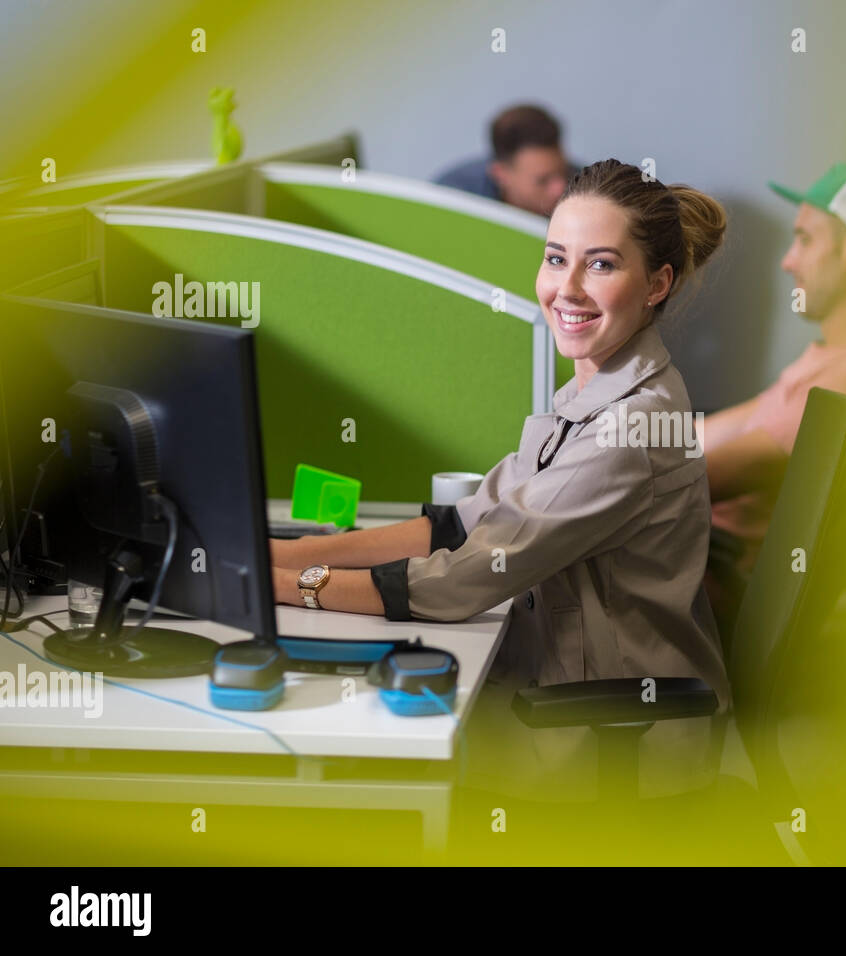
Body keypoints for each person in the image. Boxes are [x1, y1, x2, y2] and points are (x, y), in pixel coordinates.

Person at [269, 159, 729, 802]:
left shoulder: (631, 426)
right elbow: (461, 523)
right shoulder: (593, 388)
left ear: (657, 283)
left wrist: (287, 586)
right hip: (560, 691)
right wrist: (278, 554)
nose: (565, 288)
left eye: (600, 264)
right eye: (555, 258)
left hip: (613, 736)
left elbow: (459, 581)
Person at [698, 163, 846, 641]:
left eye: (804, 239)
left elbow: (685, 483)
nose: (788, 261)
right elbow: (712, 433)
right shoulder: (833, 360)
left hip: (704, 578)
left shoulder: (843, 388)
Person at [433, 104, 578, 217]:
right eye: (543, 180)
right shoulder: (450, 199)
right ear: (500, 174)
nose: (560, 188)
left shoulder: (589, 190)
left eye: (563, 171)